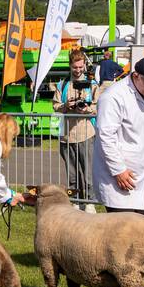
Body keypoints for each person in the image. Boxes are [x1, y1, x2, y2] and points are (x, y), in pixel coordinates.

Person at [93, 55, 144, 215]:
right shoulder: (113, 97)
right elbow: (105, 136)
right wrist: (118, 170)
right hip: (122, 177)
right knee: (123, 233)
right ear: (136, 76)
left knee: (143, 230)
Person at [53, 49, 99, 200]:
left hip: (86, 134)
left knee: (88, 174)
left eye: (80, 67)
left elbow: (99, 107)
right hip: (66, 136)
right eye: (75, 67)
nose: (78, 70)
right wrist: (66, 105)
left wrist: (87, 109)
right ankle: (74, 201)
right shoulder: (63, 84)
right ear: (70, 66)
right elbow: (55, 105)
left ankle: (89, 202)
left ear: (84, 65)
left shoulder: (92, 85)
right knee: (71, 174)